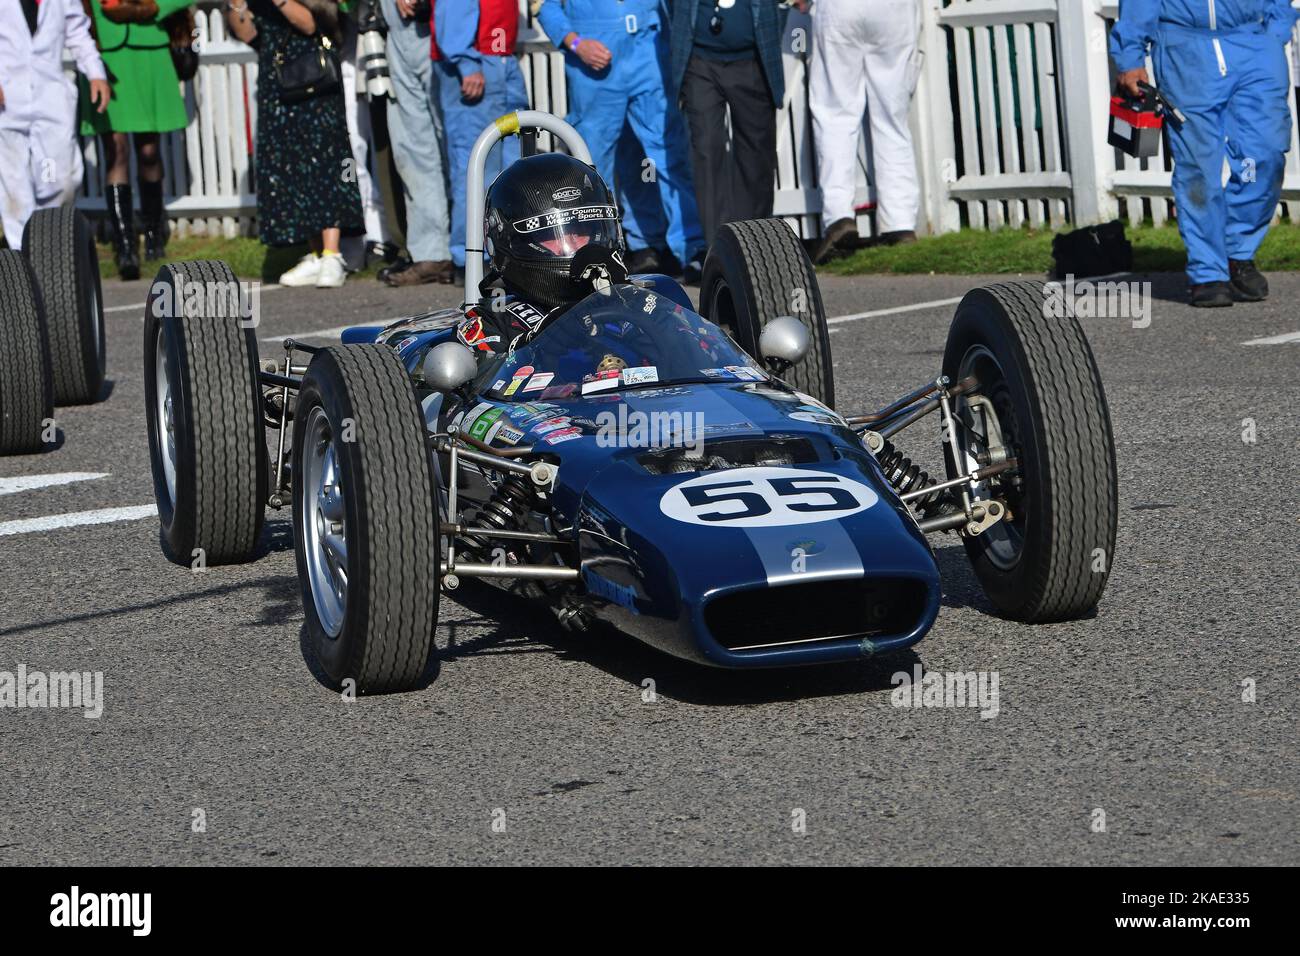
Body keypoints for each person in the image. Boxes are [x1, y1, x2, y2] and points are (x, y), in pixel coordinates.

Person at [1111, 0, 1298, 307]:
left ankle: (1237, 251)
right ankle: (1208, 270)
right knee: (1198, 167)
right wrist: (1130, 54)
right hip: (1185, 50)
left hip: (1254, 45)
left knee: (1262, 156)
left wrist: (1276, 30)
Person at [535, 0, 705, 281]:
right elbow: (543, 6)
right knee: (592, 165)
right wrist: (575, 43)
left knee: (666, 156)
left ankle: (690, 247)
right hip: (593, 63)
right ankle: (597, 254)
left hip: (649, 52)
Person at [225, 0, 365, 288]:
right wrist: (237, 6)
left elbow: (310, 24)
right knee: (290, 167)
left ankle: (332, 254)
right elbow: (249, 35)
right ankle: (314, 253)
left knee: (325, 163)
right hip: (277, 81)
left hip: (316, 79)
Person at [666, 0, 793, 251]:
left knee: (756, 153)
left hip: (753, 57)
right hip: (698, 59)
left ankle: (755, 247)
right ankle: (719, 250)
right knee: (706, 149)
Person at [78, 0, 190, 278]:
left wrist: (152, 7)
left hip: (149, 48)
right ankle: (125, 245)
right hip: (105, 51)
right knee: (115, 150)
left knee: (149, 150)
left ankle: (153, 232)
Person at [809, 0, 920, 263]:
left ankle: (839, 218)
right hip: (895, 10)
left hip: (840, 8)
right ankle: (900, 222)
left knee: (835, 113)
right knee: (892, 118)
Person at [0, 0, 109, 250]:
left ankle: (47, 245)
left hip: (49, 98)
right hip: (7, 102)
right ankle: (21, 259)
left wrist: (95, 73)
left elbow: (77, 31)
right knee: (14, 184)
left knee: (56, 178)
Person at [433, 0, 530, 278]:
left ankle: (510, 253)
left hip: (499, 60)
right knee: (475, 165)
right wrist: (466, 62)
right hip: (478, 63)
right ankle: (471, 257)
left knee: (511, 164)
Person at [379, 0, 454, 286]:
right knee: (411, 148)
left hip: (439, 26)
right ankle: (433, 252)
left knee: (454, 144)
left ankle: (471, 249)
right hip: (400, 30)